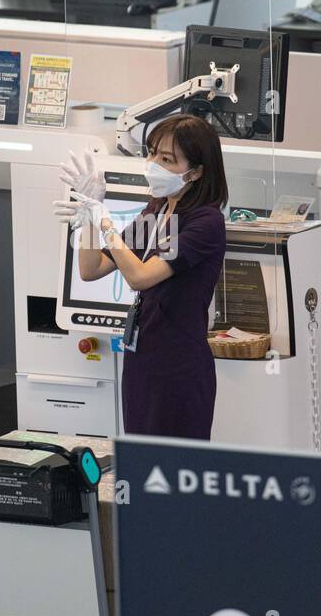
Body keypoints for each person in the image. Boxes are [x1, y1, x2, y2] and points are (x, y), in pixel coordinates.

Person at [56, 115, 228, 440]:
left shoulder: (205, 223)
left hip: (178, 365)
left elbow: (139, 277)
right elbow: (91, 270)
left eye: (167, 159)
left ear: (197, 171)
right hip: (141, 359)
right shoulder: (158, 211)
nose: (153, 164)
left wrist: (104, 221)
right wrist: (89, 222)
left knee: (173, 469)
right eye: (152, 154)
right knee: (140, 458)